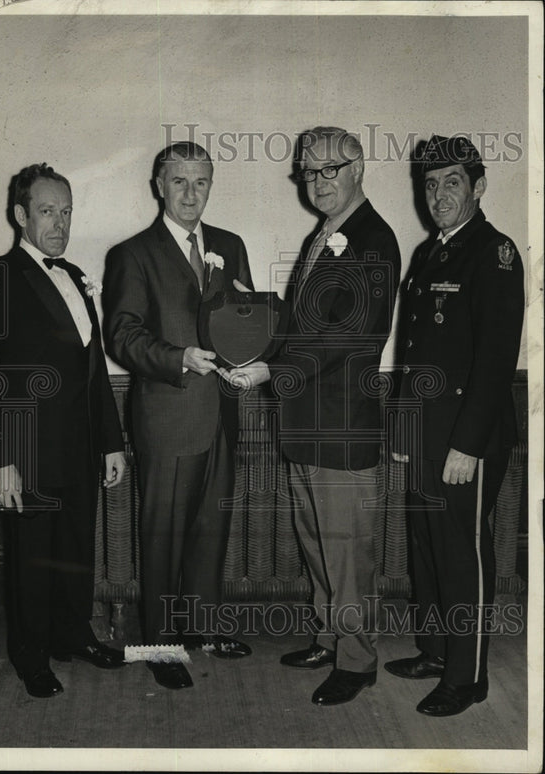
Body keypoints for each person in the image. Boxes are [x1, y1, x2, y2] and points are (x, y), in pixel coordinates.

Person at [222, 127, 400, 705]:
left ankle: (357, 659)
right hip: (306, 423)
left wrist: (272, 372)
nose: (317, 182)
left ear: (358, 170)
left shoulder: (374, 239)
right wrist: (250, 327)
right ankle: (328, 636)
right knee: (317, 541)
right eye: (308, 171)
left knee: (346, 548)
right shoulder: (324, 236)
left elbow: (349, 335)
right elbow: (301, 327)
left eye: (329, 170)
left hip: (343, 425)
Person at [0, 163, 127, 699]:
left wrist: (110, 442)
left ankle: (72, 635)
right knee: (32, 559)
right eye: (47, 211)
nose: (59, 222)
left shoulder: (78, 275)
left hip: (79, 450)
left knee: (77, 550)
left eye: (66, 211)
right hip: (24, 453)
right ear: (20, 215)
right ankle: (31, 656)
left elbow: (94, 368)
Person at [103, 141, 254, 691]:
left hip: (222, 414)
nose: (192, 194)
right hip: (167, 417)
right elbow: (122, 335)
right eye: (180, 182)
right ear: (158, 187)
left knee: (211, 529)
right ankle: (160, 646)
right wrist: (178, 358)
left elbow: (245, 321)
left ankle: (204, 631)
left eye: (202, 182)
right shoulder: (133, 254)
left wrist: (250, 347)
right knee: (162, 535)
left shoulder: (231, 246)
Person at [384, 135, 525, 716]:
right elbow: (414, 353)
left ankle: (467, 677)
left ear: (478, 187)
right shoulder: (430, 254)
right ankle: (437, 650)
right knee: (428, 548)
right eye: (430, 183)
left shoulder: (495, 253)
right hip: (425, 434)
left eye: (452, 183)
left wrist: (466, 446)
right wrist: (403, 430)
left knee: (464, 553)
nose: (438, 194)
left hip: (467, 438)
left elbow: (494, 361)